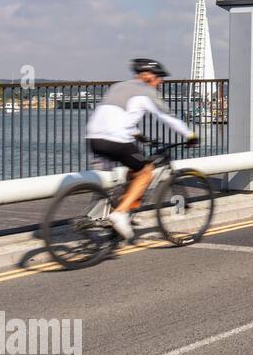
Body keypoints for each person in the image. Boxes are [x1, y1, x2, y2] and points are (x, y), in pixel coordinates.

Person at [84, 59, 198, 242]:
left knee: (130, 171)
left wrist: (139, 136)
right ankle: (120, 214)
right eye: (159, 77)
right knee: (146, 172)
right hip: (115, 139)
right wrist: (190, 134)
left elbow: (119, 116)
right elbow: (167, 117)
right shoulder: (147, 91)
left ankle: (115, 213)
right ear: (149, 76)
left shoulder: (119, 86)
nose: (160, 82)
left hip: (93, 137)